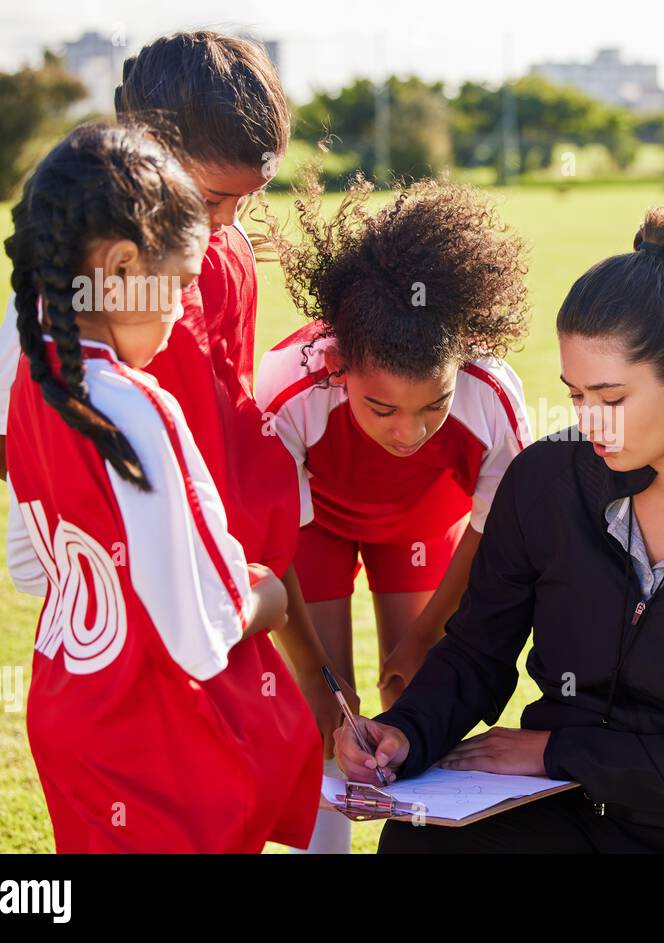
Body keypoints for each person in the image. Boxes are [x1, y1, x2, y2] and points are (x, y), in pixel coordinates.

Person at [334, 208, 664, 853]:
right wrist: (406, 730)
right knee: (418, 842)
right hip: (561, 809)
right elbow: (477, 649)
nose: (590, 423)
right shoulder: (545, 480)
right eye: (576, 396)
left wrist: (559, 751)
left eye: (612, 398)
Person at [3, 123, 321, 852]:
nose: (180, 312)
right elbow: (198, 634)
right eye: (178, 285)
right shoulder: (138, 404)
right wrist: (266, 598)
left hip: (68, 712)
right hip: (150, 740)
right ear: (120, 266)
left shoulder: (34, 376)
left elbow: (30, 564)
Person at [255, 171, 532, 852]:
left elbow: (491, 533)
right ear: (340, 368)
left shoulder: (492, 395)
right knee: (329, 708)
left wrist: (427, 633)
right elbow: (273, 537)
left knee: (416, 696)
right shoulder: (289, 388)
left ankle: (416, 844)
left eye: (434, 405)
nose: (409, 432)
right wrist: (316, 675)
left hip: (421, 527)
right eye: (381, 409)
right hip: (314, 528)